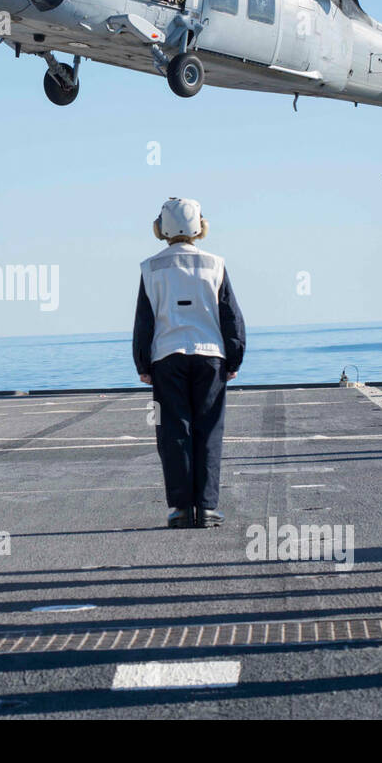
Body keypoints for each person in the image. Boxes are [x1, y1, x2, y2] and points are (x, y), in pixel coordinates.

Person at [133, 198, 245, 529]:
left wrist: (143, 364)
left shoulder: (150, 267)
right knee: (209, 431)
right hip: (211, 356)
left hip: (167, 358)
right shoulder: (215, 264)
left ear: (161, 228)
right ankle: (208, 508)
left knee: (172, 432)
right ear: (200, 226)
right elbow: (231, 316)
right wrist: (235, 356)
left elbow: (145, 320)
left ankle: (180, 508)